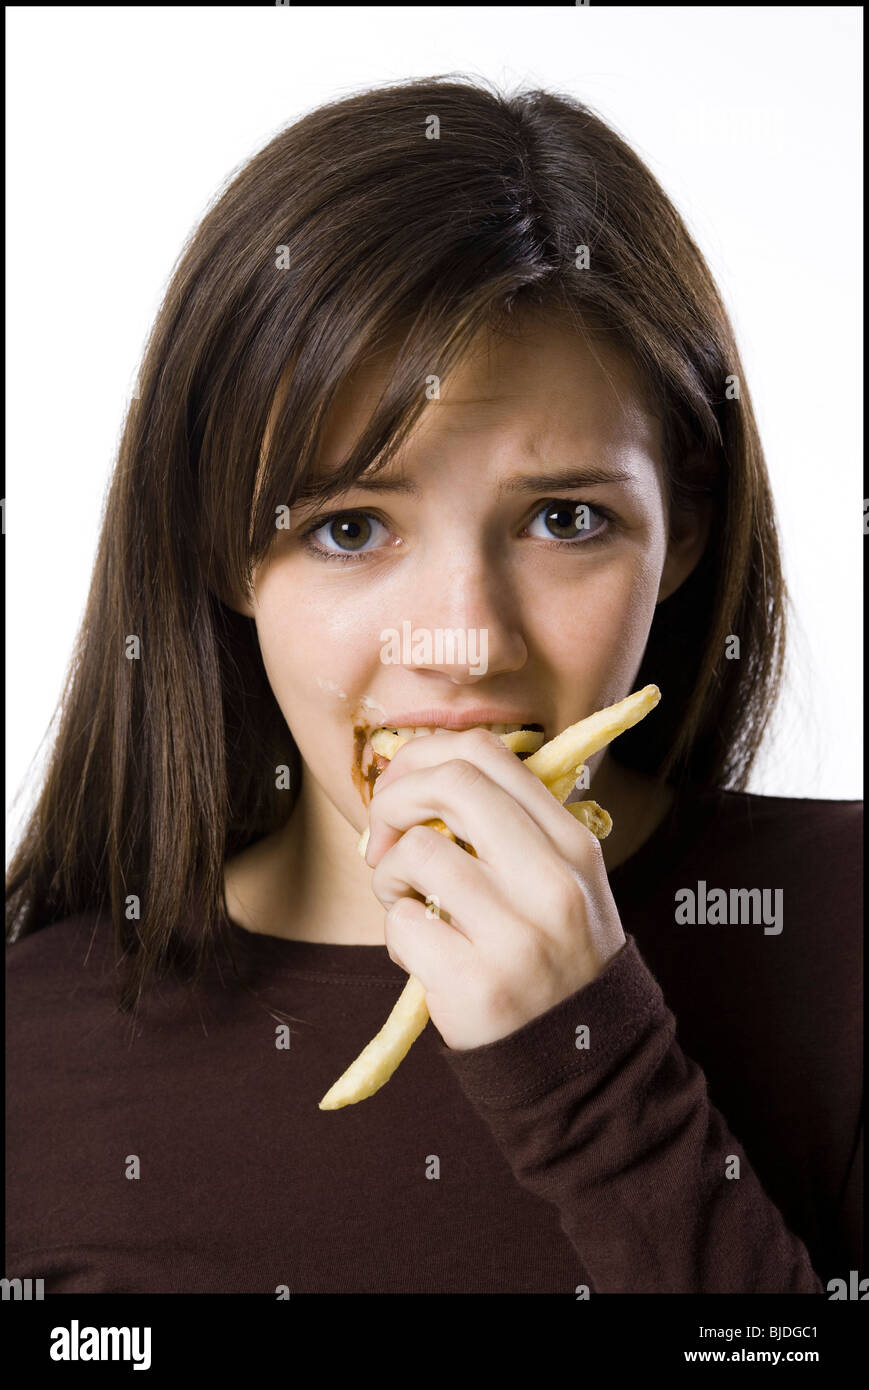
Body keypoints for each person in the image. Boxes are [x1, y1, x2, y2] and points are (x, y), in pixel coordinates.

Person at [6, 75, 861, 1294]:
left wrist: (589, 1067)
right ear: (219, 550)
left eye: (564, 519)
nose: (461, 640)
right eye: (350, 528)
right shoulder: (30, 1054)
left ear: (682, 532)